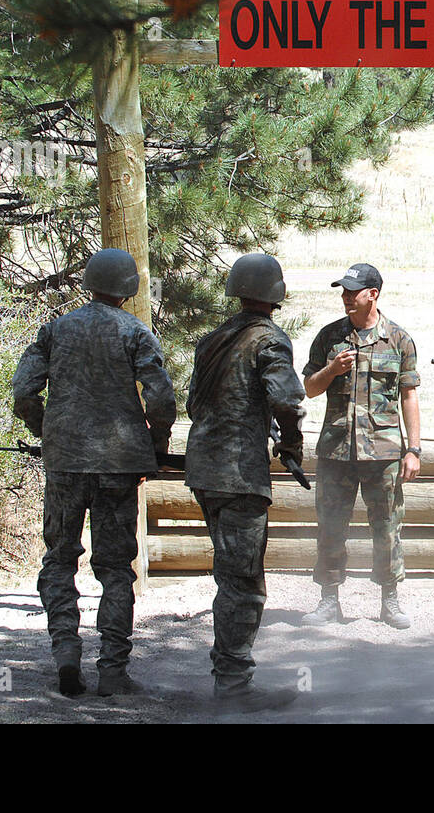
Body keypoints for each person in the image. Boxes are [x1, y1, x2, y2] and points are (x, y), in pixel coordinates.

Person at [12, 248, 176, 697]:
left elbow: (24, 391)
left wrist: (47, 430)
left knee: (60, 559)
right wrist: (156, 448)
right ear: (129, 288)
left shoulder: (56, 329)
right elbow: (161, 399)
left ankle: (66, 651)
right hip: (119, 468)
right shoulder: (136, 332)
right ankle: (113, 670)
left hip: (64, 463)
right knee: (116, 568)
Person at [185, 253, 305, 712]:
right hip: (239, 475)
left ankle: (228, 674)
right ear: (276, 294)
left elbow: (196, 405)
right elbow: (288, 400)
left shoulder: (213, 339)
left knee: (230, 575)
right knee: (244, 582)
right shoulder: (270, 339)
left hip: (204, 471)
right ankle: (233, 687)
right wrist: (290, 445)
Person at [301, 263, 421, 629]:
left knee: (386, 527)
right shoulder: (328, 338)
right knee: (331, 526)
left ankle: (390, 600)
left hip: (383, 454)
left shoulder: (398, 339)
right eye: (343, 292)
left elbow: (409, 395)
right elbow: (308, 388)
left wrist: (413, 449)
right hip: (336, 451)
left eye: (354, 292)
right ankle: (328, 600)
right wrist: (331, 370)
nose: (347, 298)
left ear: (374, 294)